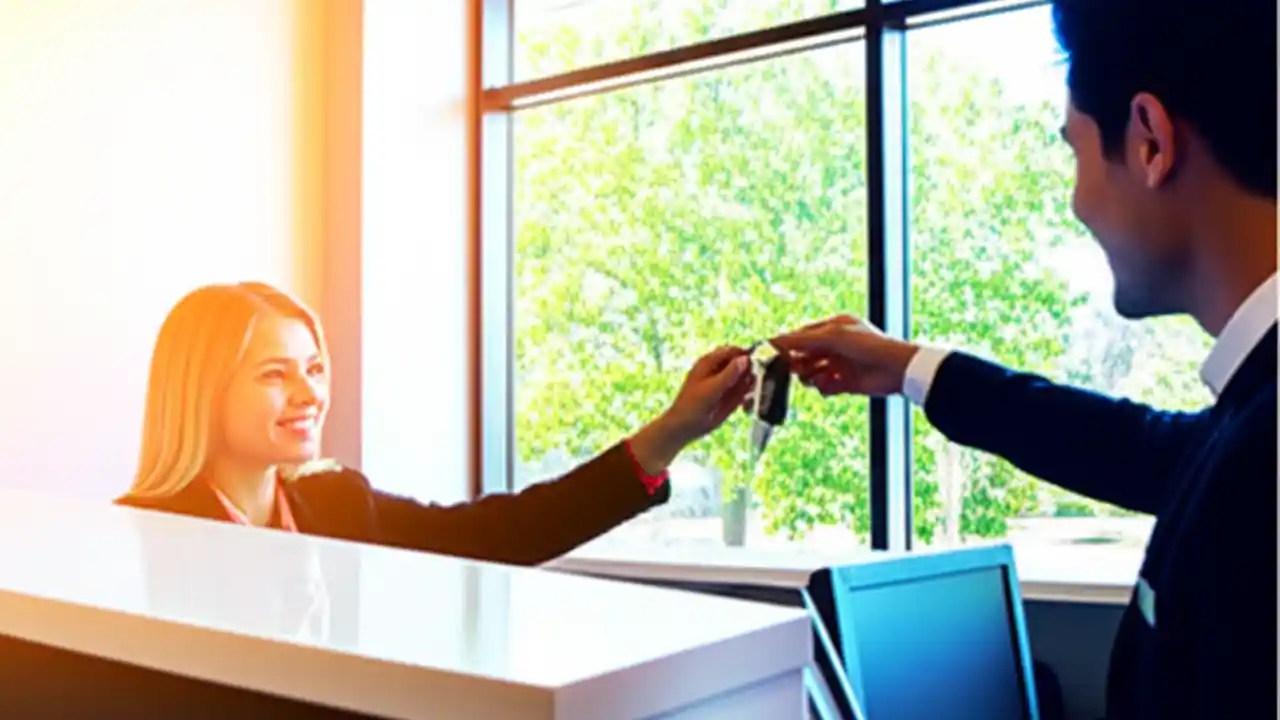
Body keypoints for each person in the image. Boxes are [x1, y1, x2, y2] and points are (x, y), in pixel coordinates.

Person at [771, 1, 1276, 718]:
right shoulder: (1248, 426)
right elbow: (1140, 450)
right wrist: (907, 366)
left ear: (1150, 143)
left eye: (1073, 150)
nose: (1076, 203)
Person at [116, 281, 754, 566]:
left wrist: (671, 430)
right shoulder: (136, 534)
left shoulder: (336, 502)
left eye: (314, 368)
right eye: (274, 375)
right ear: (204, 390)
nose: (308, 393)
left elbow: (496, 535)